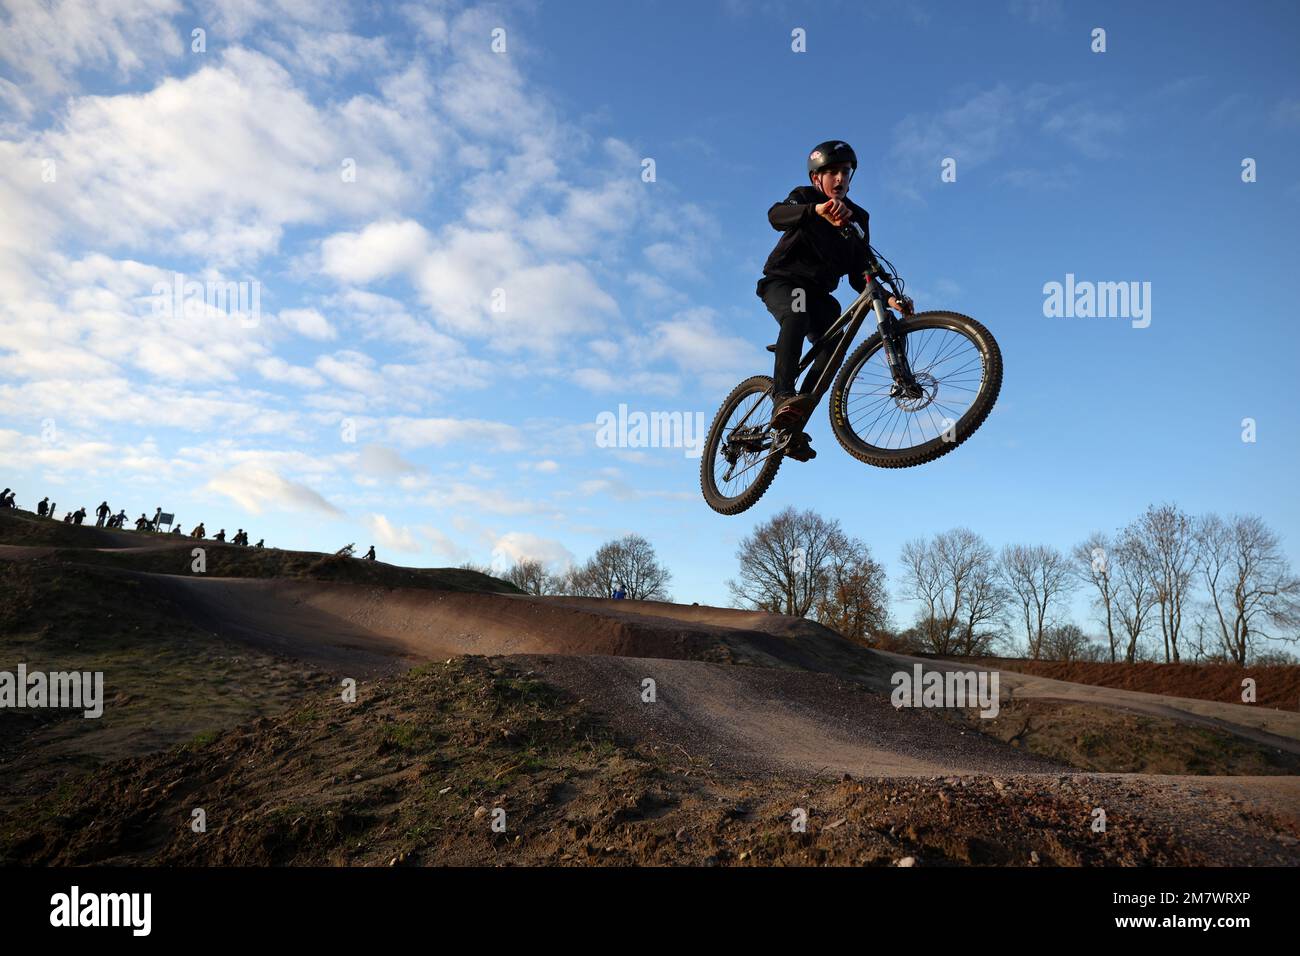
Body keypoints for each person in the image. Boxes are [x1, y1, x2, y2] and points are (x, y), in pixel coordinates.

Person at [756, 140, 912, 459]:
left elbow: (860, 272)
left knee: (835, 346)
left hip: (821, 296)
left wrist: (892, 299)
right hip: (785, 282)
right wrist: (815, 211)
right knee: (797, 314)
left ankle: (792, 424)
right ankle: (783, 397)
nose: (840, 179)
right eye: (831, 173)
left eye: (845, 172)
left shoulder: (859, 217)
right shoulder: (806, 197)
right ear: (817, 179)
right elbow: (776, 216)